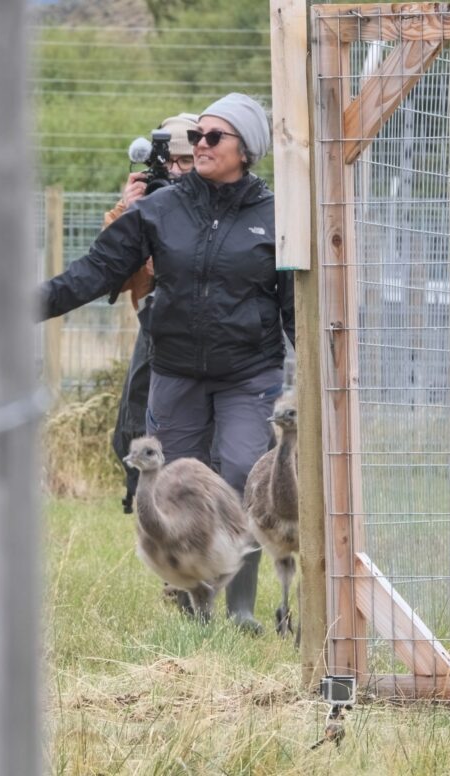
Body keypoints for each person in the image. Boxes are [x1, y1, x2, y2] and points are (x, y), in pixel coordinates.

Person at [41, 94, 293, 632]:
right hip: (175, 368)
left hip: (249, 371)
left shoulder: (276, 216)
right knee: (174, 485)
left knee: (242, 472)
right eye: (196, 136)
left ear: (246, 150)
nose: (198, 145)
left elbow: (294, 304)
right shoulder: (161, 209)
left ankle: (241, 609)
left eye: (213, 137)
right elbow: (96, 270)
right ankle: (191, 604)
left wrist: (322, 378)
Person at [104, 113, 201, 516]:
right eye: (169, 163)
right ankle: (152, 511)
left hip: (212, 332)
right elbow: (114, 276)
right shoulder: (147, 203)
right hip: (155, 327)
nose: (176, 172)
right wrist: (128, 214)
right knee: (133, 425)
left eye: (186, 162)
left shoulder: (219, 201)